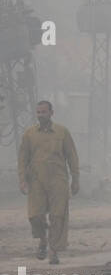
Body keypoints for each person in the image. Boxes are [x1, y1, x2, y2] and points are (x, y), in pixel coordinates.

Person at [18, 100, 80, 265]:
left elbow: (72, 157)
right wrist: (22, 180)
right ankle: (43, 240)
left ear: (51, 112)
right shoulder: (29, 134)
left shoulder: (62, 132)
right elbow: (23, 159)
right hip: (36, 180)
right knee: (35, 216)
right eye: (38, 112)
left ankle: (53, 250)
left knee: (57, 216)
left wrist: (75, 179)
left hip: (58, 180)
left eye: (44, 112)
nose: (40, 115)